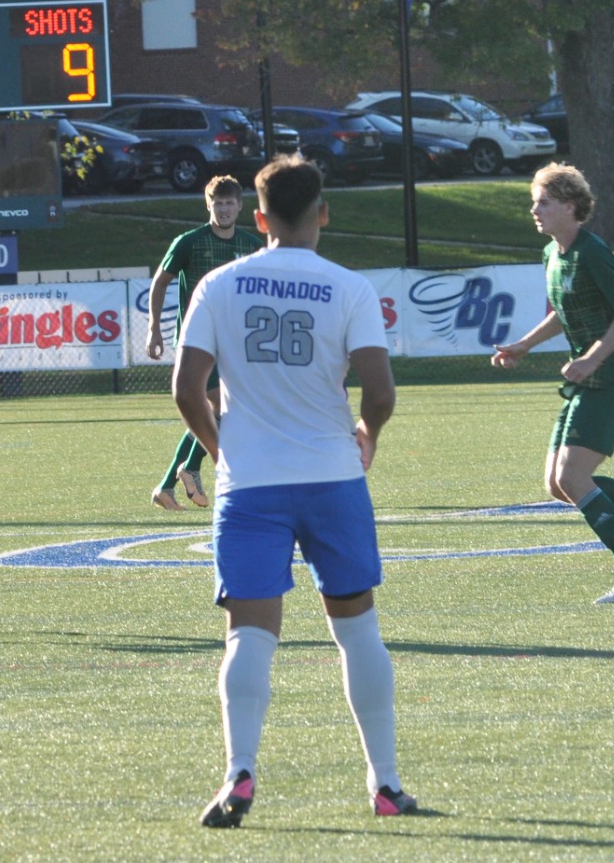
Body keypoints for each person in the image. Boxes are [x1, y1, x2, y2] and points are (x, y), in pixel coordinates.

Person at [174, 155, 418, 827]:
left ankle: (239, 772)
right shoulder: (349, 287)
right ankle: (386, 783)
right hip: (332, 479)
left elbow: (186, 390)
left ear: (258, 220)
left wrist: (220, 450)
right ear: (323, 213)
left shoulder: (220, 284)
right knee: (358, 632)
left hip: (251, 485)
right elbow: (380, 391)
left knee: (248, 637)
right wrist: (368, 432)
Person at [491, 163, 614, 603]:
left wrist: (591, 358)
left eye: (544, 202)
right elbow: (561, 314)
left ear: (570, 205)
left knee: (572, 476)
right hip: (587, 379)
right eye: (534, 202)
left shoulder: (592, 252)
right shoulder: (552, 254)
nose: (535, 210)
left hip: (611, 379)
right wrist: (524, 345)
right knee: (558, 485)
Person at [145, 175, 264, 511]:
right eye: (218, 202)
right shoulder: (189, 242)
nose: (223, 209)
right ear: (207, 204)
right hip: (197, 342)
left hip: (233, 343)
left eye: (229, 203)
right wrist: (154, 327)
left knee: (219, 410)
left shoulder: (251, 245)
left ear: (240, 206)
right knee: (222, 406)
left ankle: (168, 486)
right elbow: (160, 282)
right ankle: (190, 469)